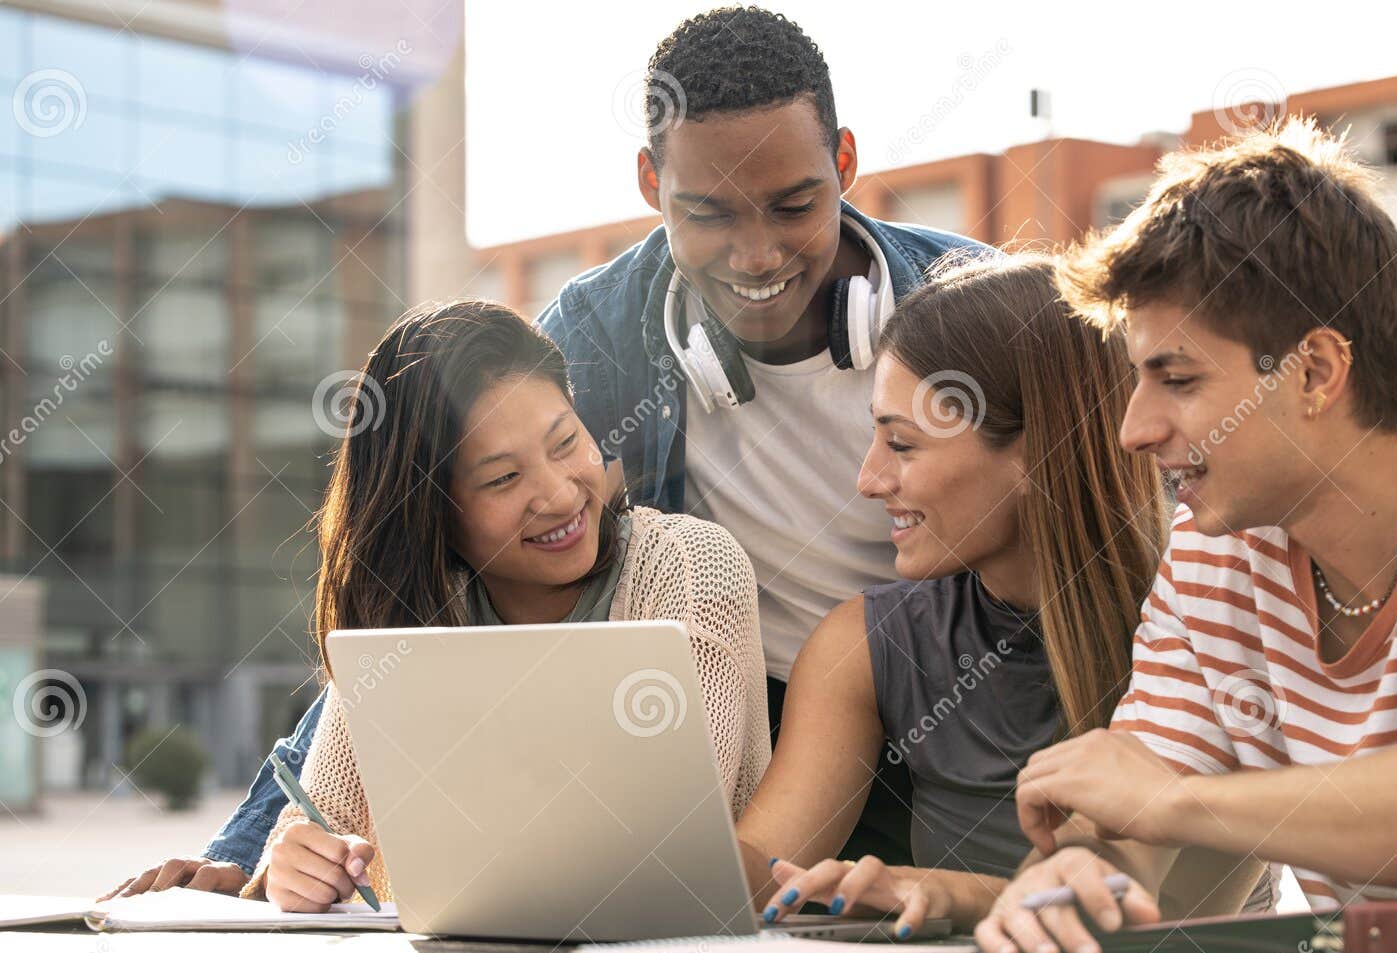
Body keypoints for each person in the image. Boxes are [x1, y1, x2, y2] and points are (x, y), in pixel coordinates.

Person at [105, 6, 987, 899]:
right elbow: (409, 597)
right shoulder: (600, 332)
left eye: (794, 205)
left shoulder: (981, 309)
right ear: (650, 181)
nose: (755, 254)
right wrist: (249, 848)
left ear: (843, 161)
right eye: (707, 212)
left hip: (952, 712)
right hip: (751, 734)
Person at [974, 118, 1397, 953]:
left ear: (1314, 371)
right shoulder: (1215, 557)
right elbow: (1132, 815)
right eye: (1136, 380)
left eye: (1179, 379)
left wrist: (1174, 806)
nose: (1133, 430)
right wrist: (1076, 878)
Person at [145, 299, 768, 911]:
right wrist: (295, 864)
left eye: (564, 441)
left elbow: (673, 833)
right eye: (502, 478)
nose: (558, 494)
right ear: (432, 510)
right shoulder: (413, 610)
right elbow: (322, 819)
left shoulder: (691, 566)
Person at [732, 253, 1271, 938]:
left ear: (1032, 456)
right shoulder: (866, 648)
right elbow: (752, 881)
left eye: (902, 444)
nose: (868, 480)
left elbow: (1162, 926)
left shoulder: (1223, 616)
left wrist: (961, 896)